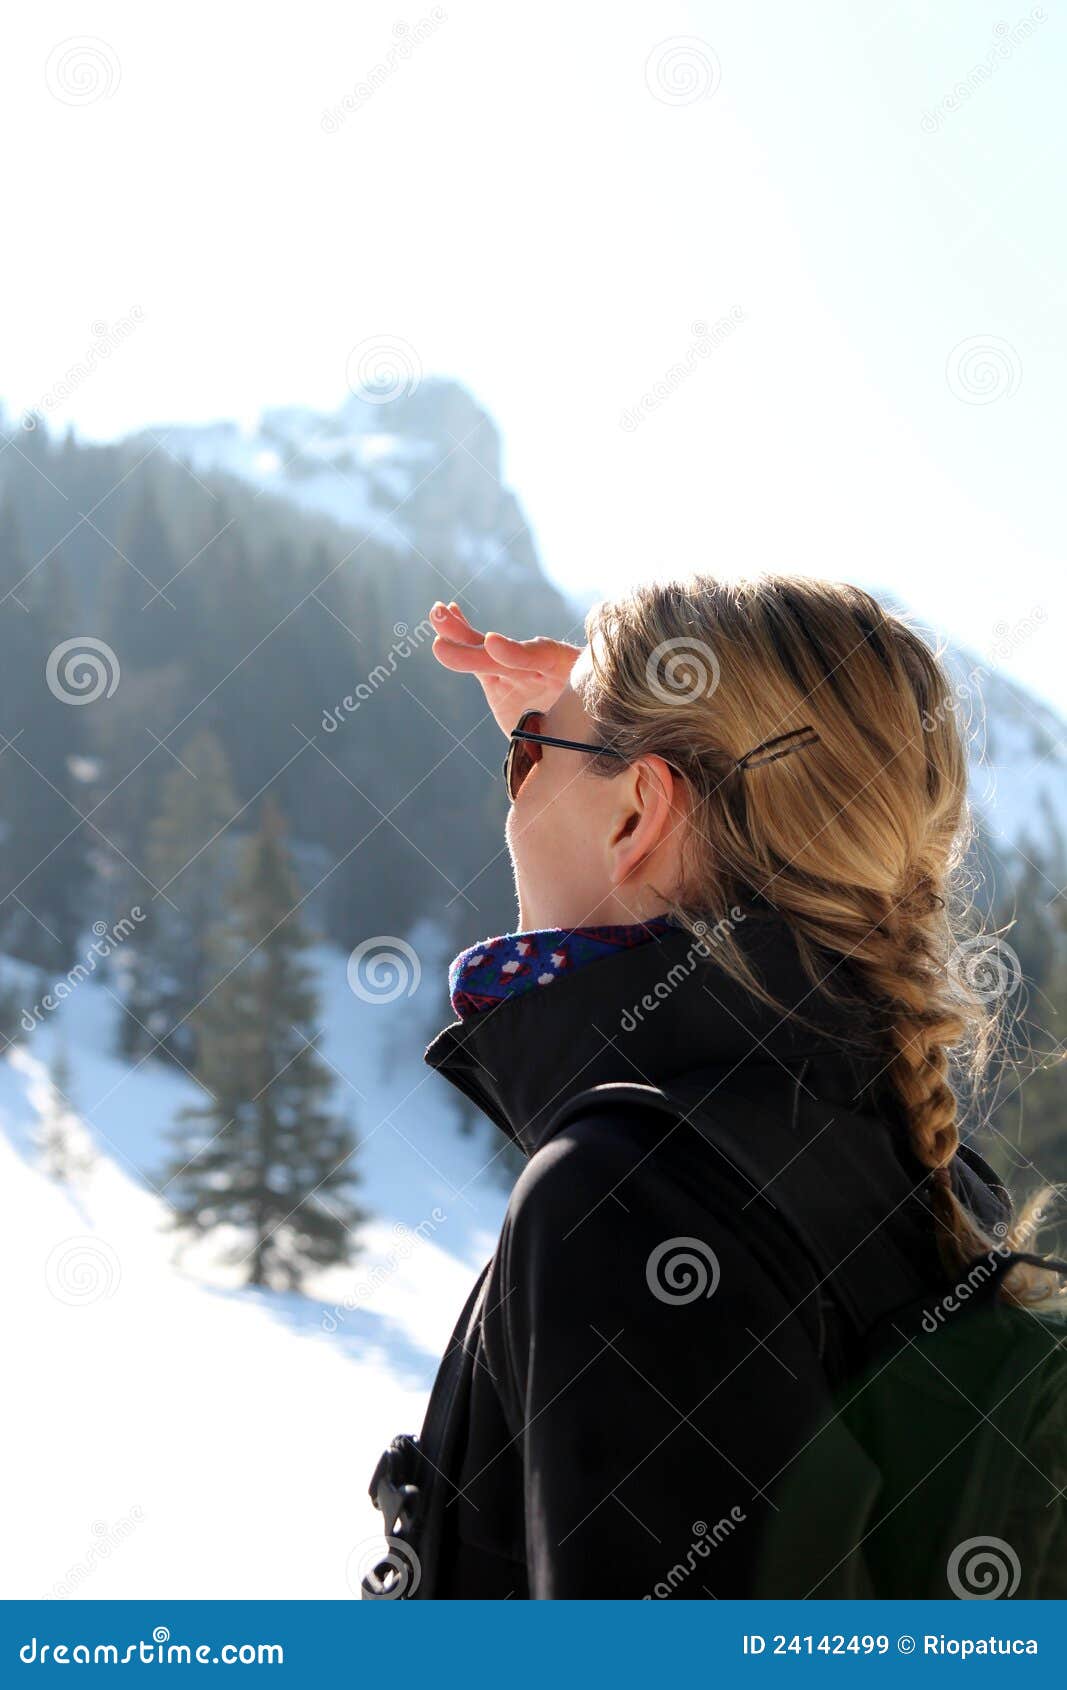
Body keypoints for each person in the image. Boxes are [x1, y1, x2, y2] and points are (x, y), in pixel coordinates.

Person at [363, 573, 1064, 1600]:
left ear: (637, 814)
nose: (509, 795)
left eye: (521, 758)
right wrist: (578, 744)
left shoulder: (621, 1200)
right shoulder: (930, 1171)